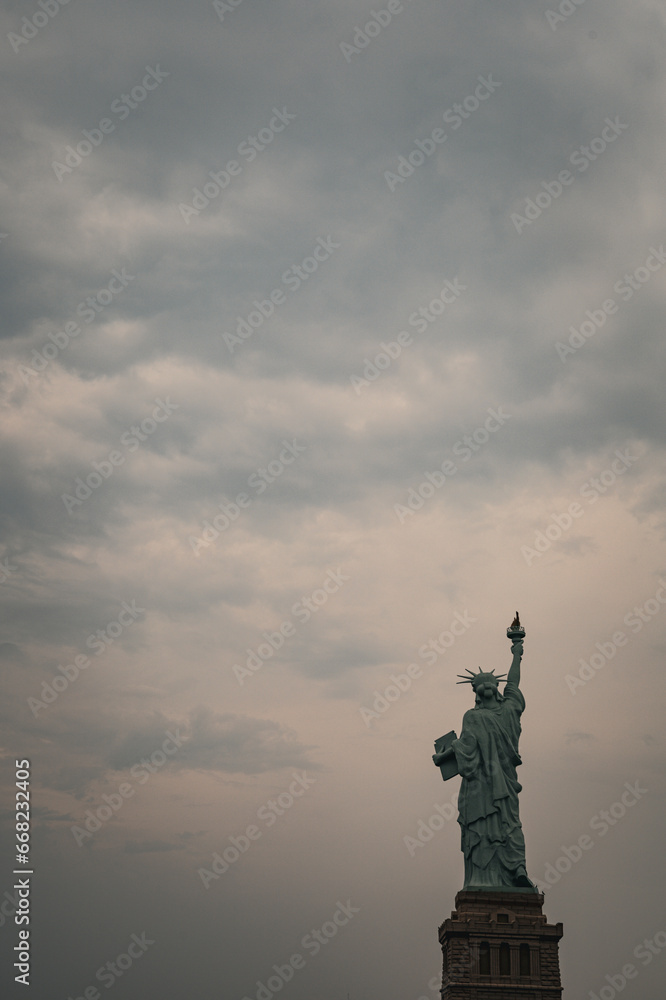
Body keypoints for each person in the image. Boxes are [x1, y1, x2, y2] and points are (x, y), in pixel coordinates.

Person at [432, 638, 534, 889]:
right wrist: (517, 654)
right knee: (509, 823)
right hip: (494, 784)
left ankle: (497, 875)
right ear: (492, 688)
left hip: (482, 785)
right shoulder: (507, 710)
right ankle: (514, 868)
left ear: (476, 691)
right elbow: (513, 683)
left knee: (492, 825)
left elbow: (463, 747)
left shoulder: (476, 716)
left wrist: (441, 757)